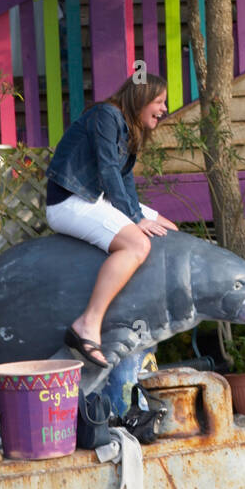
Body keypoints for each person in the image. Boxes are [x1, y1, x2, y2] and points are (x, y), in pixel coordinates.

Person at [45, 72, 179, 367]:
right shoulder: (106, 115)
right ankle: (87, 324)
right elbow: (107, 170)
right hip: (71, 201)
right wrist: (134, 218)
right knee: (136, 245)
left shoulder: (128, 129)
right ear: (140, 98)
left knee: (170, 228)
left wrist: (139, 214)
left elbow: (123, 179)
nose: (164, 109)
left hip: (95, 197)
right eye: (159, 101)